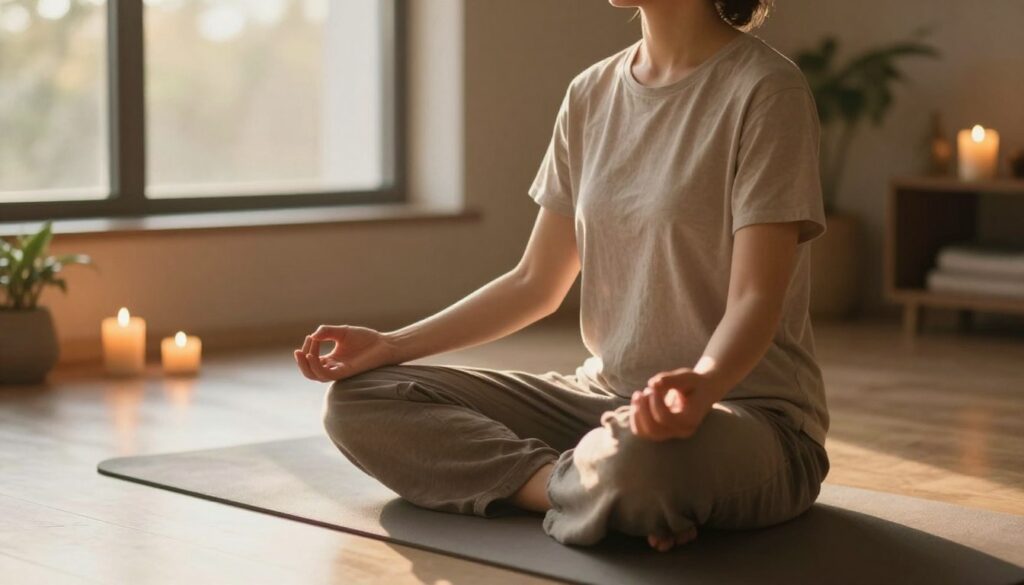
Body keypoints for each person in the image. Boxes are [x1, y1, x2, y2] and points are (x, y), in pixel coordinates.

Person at [295, 0, 830, 552]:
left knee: (644, 461)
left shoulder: (767, 90)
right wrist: (391, 345)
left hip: (742, 415)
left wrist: (705, 385)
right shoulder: (590, 93)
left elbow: (755, 297)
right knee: (361, 400)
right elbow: (535, 282)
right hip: (600, 403)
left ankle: (617, 481)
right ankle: (570, 487)